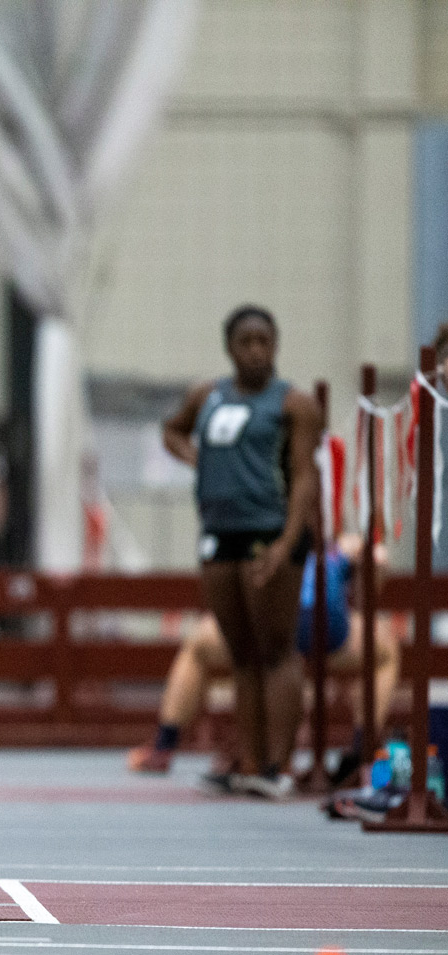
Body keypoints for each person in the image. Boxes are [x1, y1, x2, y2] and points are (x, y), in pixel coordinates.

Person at [162, 304, 319, 799]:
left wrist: (286, 543)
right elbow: (172, 430)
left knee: (276, 651)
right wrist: (201, 461)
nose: (255, 350)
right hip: (218, 532)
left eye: (264, 341)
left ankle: (280, 764)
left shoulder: (293, 404)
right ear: (230, 347)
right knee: (241, 653)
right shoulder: (206, 396)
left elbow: (303, 477)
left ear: (275, 345)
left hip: (269, 532)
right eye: (245, 341)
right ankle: (250, 761)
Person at [130, 537, 398, 789]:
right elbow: (379, 559)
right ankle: (361, 754)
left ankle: (164, 746)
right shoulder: (343, 545)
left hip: (269, 620)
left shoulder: (270, 532)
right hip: (323, 625)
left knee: (200, 645)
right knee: (384, 651)